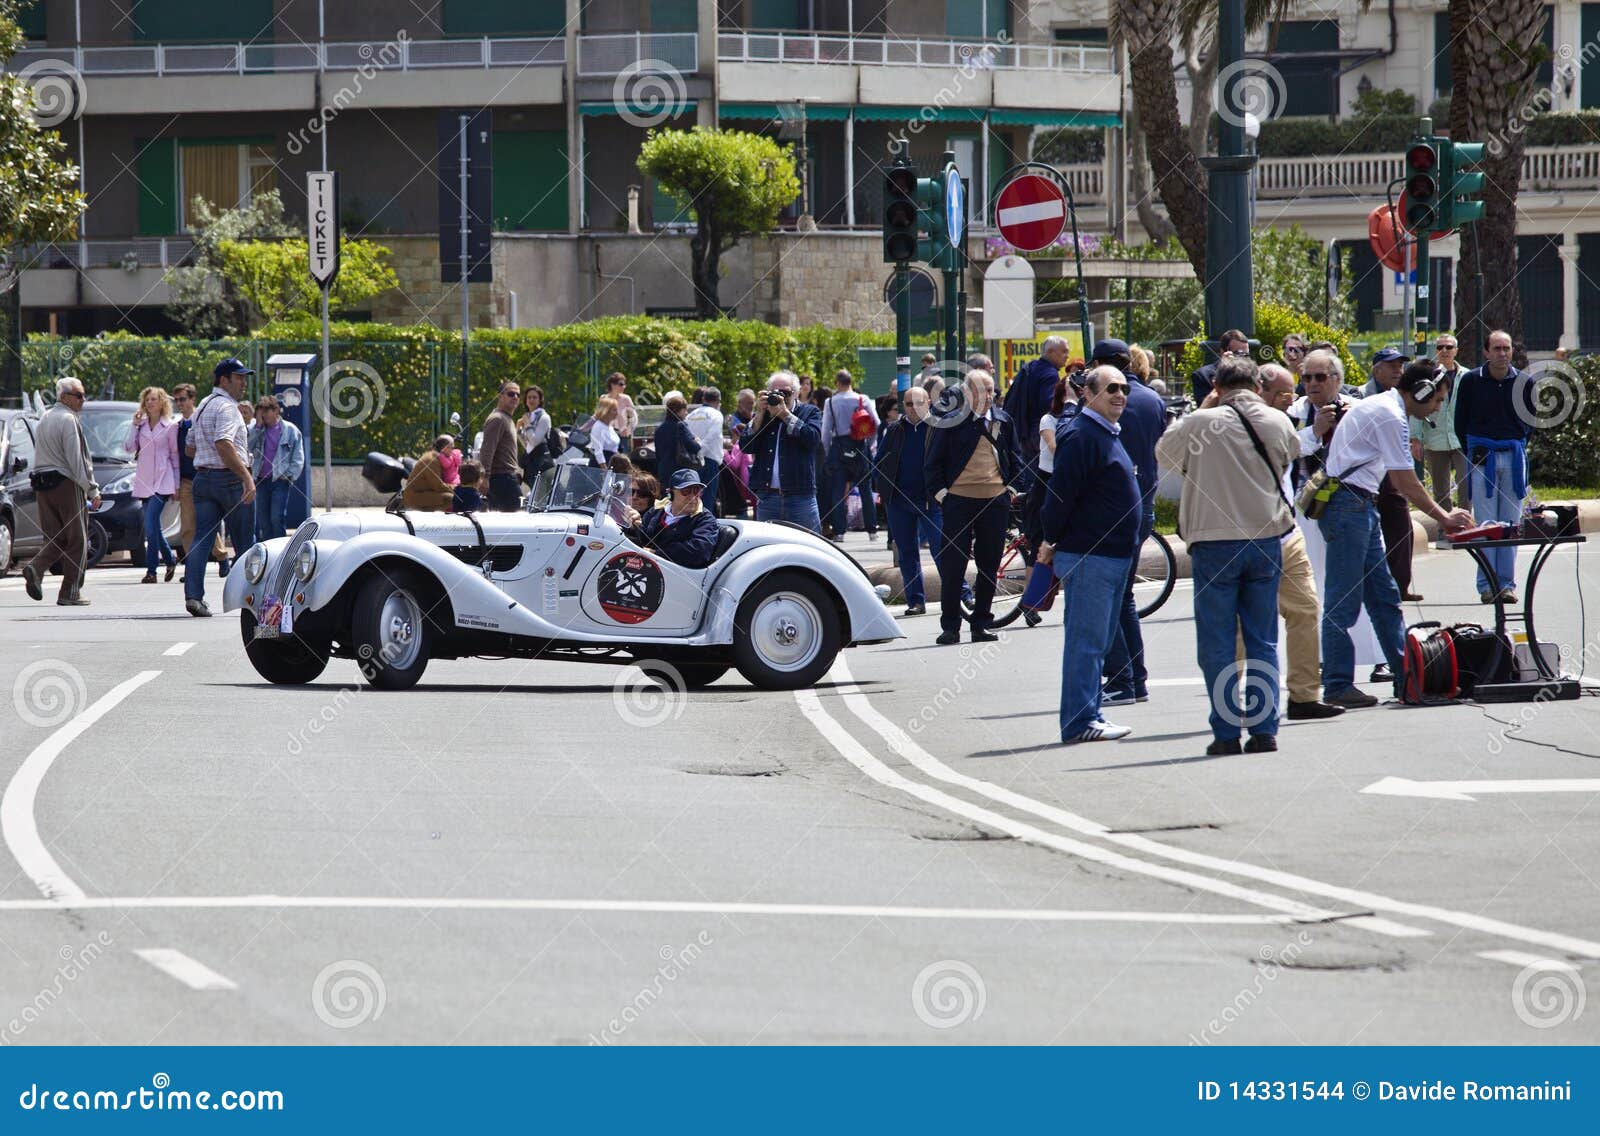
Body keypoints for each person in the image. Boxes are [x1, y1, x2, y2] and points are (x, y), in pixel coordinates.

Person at [1158, 356, 1299, 755]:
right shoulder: (1276, 420)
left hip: (1214, 542)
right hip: (1265, 538)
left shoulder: (1199, 423)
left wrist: (1203, 409)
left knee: (1217, 643)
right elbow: (1290, 456)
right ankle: (1264, 727)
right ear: (1257, 386)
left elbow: (1164, 456)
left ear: (1216, 387)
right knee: (1262, 640)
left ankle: (1225, 732)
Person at [1319, 361, 1474, 707]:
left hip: (1358, 505)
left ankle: (1408, 679)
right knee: (1342, 603)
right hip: (1350, 507)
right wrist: (1443, 516)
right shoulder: (1391, 415)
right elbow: (1405, 481)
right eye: (1435, 400)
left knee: (1384, 597)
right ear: (1420, 392)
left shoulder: (1386, 407)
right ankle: (1337, 685)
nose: (1436, 407)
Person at [1040, 366, 1142, 743]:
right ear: (1087, 393)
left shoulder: (1104, 432)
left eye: (1124, 388)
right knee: (1086, 643)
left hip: (1109, 557)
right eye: (1111, 388)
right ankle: (1080, 722)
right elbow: (1060, 497)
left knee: (1096, 643)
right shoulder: (1082, 435)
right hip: (1090, 556)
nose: (1120, 394)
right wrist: (1051, 539)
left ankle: (1090, 714)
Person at [1288, 350, 1388, 682]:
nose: (1313, 384)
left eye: (1320, 377)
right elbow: (1287, 449)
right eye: (1307, 378)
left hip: (1352, 502)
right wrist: (1315, 430)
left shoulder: (1358, 410)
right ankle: (1325, 656)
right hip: (1310, 505)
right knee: (1318, 581)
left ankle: (1378, 658)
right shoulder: (1295, 413)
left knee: (1367, 582)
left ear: (1337, 379)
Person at [1253, 365, 1343, 721]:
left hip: (1287, 532)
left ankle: (1304, 696)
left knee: (1305, 611)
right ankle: (1233, 696)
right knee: (1248, 624)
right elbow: (1285, 449)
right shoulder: (1252, 424)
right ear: (1260, 391)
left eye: (1294, 392)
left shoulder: (1284, 421)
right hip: (1254, 535)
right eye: (1285, 393)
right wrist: (1315, 432)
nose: (1293, 400)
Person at [1091, 338, 1167, 707]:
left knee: (1112, 597)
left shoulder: (1102, 397)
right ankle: (1133, 679)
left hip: (1109, 507)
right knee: (1123, 597)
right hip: (1143, 504)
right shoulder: (1153, 399)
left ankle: (1125, 679)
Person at [925, 370, 1023, 645]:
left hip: (995, 501)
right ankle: (950, 627)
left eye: (991, 390)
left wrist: (1011, 490)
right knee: (953, 565)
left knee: (989, 565)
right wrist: (944, 496)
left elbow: (1016, 460)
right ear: (968, 394)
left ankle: (981, 624)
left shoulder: (1004, 421)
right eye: (981, 391)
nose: (988, 396)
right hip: (959, 502)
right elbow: (932, 464)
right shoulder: (951, 423)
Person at [1456, 329, 1536, 602]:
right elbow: (1460, 422)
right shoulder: (1470, 381)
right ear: (1486, 352)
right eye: (1497, 348)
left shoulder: (1524, 382)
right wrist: (1475, 451)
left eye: (1507, 348)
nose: (1502, 353)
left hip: (1513, 457)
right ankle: (1487, 585)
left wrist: (1515, 444)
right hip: (1482, 458)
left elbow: (1531, 422)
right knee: (1487, 524)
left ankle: (1507, 585)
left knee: (1511, 523)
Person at [183, 358, 257, 617]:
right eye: (239, 378)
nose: (244, 383)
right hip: (230, 480)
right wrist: (246, 478)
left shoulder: (203, 405)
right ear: (224, 380)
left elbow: (189, 447)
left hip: (203, 478)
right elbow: (223, 444)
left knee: (201, 539)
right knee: (245, 541)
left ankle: (194, 597)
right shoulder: (227, 408)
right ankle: (249, 597)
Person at [20, 377, 99, 606]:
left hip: (43, 485)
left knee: (55, 538)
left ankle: (36, 567)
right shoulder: (68, 419)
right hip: (66, 483)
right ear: (64, 397)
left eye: (83, 395)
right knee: (78, 540)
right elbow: (78, 460)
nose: (82, 400)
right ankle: (70, 591)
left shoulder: (45, 417)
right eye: (78, 395)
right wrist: (92, 490)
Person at [1361, 348, 1420, 604]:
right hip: (1367, 475)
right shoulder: (1362, 396)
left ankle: (1400, 587)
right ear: (1377, 369)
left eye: (1400, 365)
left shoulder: (1401, 397)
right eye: (1391, 365)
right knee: (1369, 534)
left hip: (1392, 471)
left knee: (1401, 528)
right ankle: (1372, 590)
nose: (1398, 370)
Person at [876, 385, 942, 616]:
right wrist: (885, 491)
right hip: (899, 502)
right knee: (907, 553)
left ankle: (962, 595)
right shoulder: (895, 429)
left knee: (941, 548)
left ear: (929, 403)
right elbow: (878, 462)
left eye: (918, 403)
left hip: (931, 501)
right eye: (908, 404)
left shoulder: (938, 428)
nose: (913, 408)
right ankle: (916, 601)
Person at [742, 371, 823, 532]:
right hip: (767, 497)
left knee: (808, 547)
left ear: (796, 393)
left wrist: (785, 415)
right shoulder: (762, 415)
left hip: (800, 497)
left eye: (785, 392)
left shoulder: (809, 412)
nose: (780, 396)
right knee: (768, 547)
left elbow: (812, 439)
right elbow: (746, 446)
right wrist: (759, 414)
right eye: (774, 392)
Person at [125, 385, 180, 584]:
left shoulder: (171, 426)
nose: (150, 403)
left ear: (162, 402)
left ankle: (151, 571)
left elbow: (175, 456)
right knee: (153, 526)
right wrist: (134, 425)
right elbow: (128, 447)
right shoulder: (141, 426)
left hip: (163, 480)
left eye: (154, 399)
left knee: (149, 524)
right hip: (145, 480)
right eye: (147, 399)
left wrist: (176, 485)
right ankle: (170, 558)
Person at [173, 382, 226, 578]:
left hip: (203, 476)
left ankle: (222, 557)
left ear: (192, 399)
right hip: (186, 480)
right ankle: (192, 567)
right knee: (187, 526)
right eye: (177, 400)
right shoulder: (177, 425)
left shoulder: (201, 418)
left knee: (207, 522)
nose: (180, 403)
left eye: (183, 399)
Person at [622, 467, 721, 569]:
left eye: (696, 491)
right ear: (670, 493)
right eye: (686, 491)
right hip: (646, 570)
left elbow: (699, 552)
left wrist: (657, 553)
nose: (692, 497)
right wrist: (635, 528)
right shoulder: (656, 511)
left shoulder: (705, 520)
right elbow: (643, 541)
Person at [821, 369, 878, 542]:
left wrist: (827, 452)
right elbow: (875, 422)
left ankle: (839, 532)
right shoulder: (863, 399)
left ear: (837, 383)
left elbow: (826, 431)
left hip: (840, 447)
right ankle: (872, 530)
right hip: (860, 445)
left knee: (838, 490)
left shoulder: (830, 402)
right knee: (866, 489)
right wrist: (870, 444)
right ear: (851, 382)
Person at [1414, 334, 1468, 509]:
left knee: (1466, 485)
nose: (1444, 350)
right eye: (1440, 347)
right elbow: (1416, 407)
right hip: (1435, 439)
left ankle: (1466, 524)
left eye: (1449, 347)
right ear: (1435, 351)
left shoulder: (1466, 376)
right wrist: (1416, 438)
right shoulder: (1427, 377)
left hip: (1461, 439)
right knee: (1440, 489)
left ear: (1456, 351)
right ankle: (1445, 526)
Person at [1004, 335, 1068, 477]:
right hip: (1038, 436)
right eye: (1064, 351)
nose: (1067, 356)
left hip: (1022, 433)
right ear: (1050, 352)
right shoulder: (1050, 374)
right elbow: (1049, 405)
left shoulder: (1030, 368)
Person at [247, 395, 304, 542]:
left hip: (279, 480)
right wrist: (258, 427)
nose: (263, 415)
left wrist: (289, 475)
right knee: (263, 520)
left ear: (276, 411)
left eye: (267, 411)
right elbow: (247, 446)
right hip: (260, 480)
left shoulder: (290, 430)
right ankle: (268, 553)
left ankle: (279, 549)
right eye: (261, 411)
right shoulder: (256, 429)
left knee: (276, 517)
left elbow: (298, 456)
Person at [685, 386, 726, 519]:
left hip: (691, 462)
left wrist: (696, 452)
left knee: (692, 499)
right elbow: (712, 435)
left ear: (703, 398)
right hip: (709, 462)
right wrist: (700, 452)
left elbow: (686, 436)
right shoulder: (716, 415)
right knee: (707, 500)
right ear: (718, 401)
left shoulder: (691, 415)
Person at [480, 382, 522, 511]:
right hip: (501, 479)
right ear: (500, 396)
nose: (515, 397)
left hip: (507, 478)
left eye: (517, 394)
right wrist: (485, 477)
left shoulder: (507, 419)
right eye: (510, 393)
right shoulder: (497, 418)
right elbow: (487, 450)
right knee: (519, 519)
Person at [652, 392, 700, 491]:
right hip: (679, 471)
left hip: (663, 471)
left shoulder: (659, 429)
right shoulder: (681, 426)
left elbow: (658, 454)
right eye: (685, 409)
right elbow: (693, 447)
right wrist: (697, 441)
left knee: (666, 499)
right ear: (677, 411)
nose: (686, 412)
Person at [1190, 328, 1249, 405]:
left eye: (1246, 355)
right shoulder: (1202, 375)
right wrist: (1225, 370)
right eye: (1237, 354)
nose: (1242, 358)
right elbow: (1204, 407)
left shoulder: (1252, 374)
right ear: (1223, 352)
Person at [403, 438, 455, 512]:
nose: (452, 451)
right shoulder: (432, 460)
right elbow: (438, 486)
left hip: (424, 492)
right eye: (452, 448)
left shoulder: (436, 458)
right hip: (415, 497)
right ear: (444, 448)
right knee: (450, 499)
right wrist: (456, 488)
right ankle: (425, 517)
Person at [517, 387, 553, 481]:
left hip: (542, 461)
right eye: (529, 397)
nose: (531, 400)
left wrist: (527, 424)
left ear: (540, 400)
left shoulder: (544, 417)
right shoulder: (529, 417)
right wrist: (519, 431)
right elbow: (527, 445)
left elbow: (534, 441)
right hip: (531, 460)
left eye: (534, 397)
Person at [606, 372, 638, 453]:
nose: (623, 387)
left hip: (622, 436)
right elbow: (598, 416)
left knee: (623, 459)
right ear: (612, 385)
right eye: (621, 384)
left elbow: (634, 417)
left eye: (624, 384)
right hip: (607, 435)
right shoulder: (604, 398)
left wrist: (628, 430)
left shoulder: (626, 399)